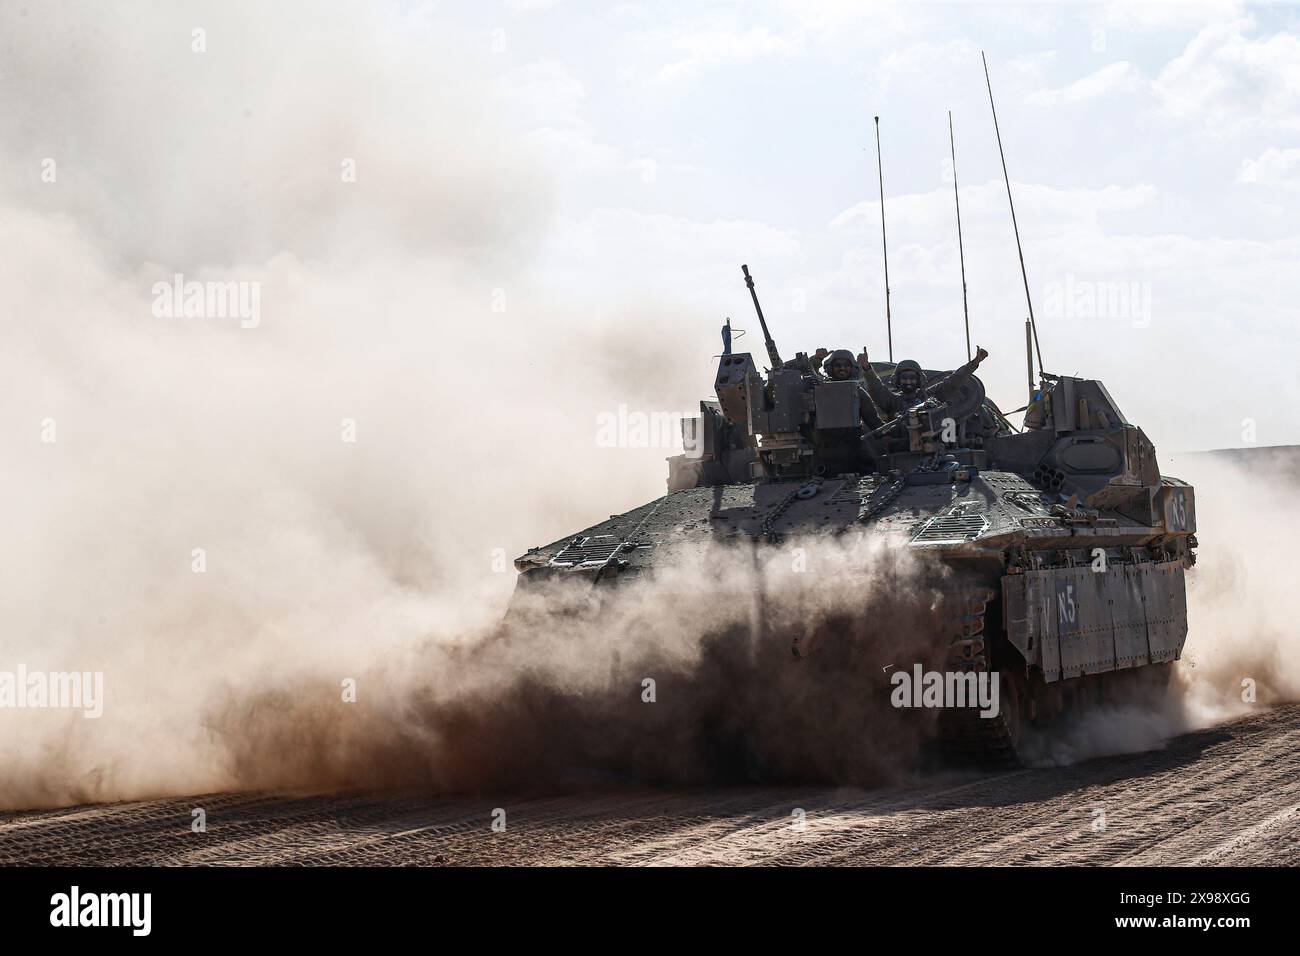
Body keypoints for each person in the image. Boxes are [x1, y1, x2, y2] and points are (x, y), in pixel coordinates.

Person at [857, 347, 989, 419]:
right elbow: (876, 389)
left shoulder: (930, 397)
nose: (908, 381)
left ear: (919, 379)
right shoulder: (893, 401)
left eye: (912, 378)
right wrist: (867, 368)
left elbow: (953, 381)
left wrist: (974, 362)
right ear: (898, 380)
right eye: (904, 378)